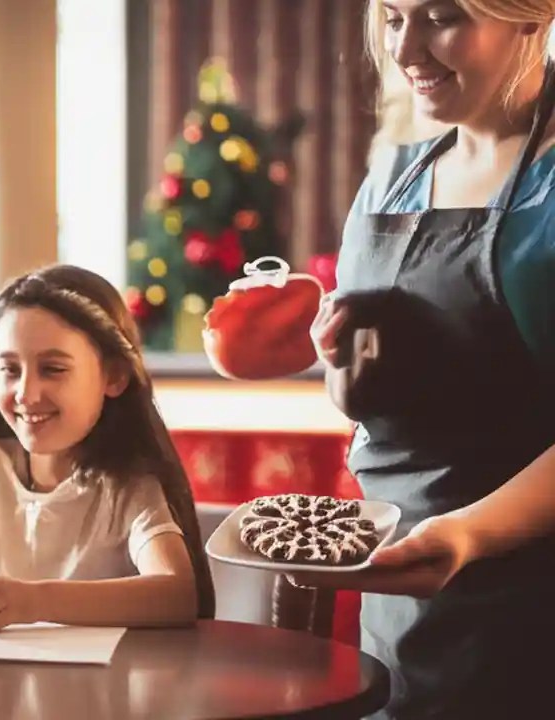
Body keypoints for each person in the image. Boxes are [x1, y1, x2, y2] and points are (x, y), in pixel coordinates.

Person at [303, 1, 555, 717]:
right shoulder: (392, 179)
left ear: (531, 16)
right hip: (403, 597)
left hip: (531, 601)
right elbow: (363, 402)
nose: (407, 48)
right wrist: (339, 356)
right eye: (391, 18)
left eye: (440, 16)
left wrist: (467, 534)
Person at [0, 265, 215, 632]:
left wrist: (33, 601)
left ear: (114, 376)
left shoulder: (126, 486)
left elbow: (176, 594)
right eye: (11, 370)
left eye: (52, 369)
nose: (26, 394)